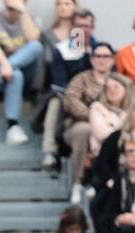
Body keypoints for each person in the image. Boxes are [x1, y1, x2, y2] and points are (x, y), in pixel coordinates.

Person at [0, 0, 44, 145]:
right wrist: (6, 65)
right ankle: (13, 127)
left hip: (18, 77)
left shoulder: (32, 18)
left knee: (36, 46)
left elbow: (33, 39)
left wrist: (23, 12)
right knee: (15, 74)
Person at [41, 6, 99, 171]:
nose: (83, 30)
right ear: (73, 28)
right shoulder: (62, 50)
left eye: (87, 26)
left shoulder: (100, 49)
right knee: (55, 101)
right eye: (79, 26)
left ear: (92, 28)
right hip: (68, 98)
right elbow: (60, 83)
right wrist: (79, 51)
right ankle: (49, 150)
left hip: (95, 99)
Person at [62, 41, 118, 195]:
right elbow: (71, 100)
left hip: (113, 124)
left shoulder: (118, 80)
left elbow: (129, 102)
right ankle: (78, 182)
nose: (102, 60)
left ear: (113, 60)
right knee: (85, 131)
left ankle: (104, 182)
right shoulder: (81, 78)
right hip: (80, 124)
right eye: (98, 56)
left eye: (106, 56)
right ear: (92, 59)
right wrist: (95, 118)